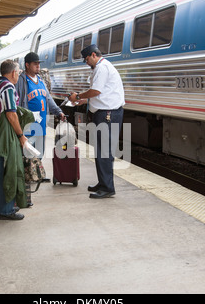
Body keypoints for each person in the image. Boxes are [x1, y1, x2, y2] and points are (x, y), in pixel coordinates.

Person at [69, 44, 125, 199]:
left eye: (87, 59)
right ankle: (103, 182)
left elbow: (96, 91)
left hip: (108, 114)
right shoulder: (101, 67)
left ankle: (107, 188)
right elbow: (102, 95)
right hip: (106, 112)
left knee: (104, 151)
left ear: (94, 55)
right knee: (101, 150)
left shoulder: (102, 68)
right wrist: (85, 102)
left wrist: (78, 96)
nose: (86, 62)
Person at [0, 60, 27, 221]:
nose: (19, 74)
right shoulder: (8, 87)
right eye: (18, 72)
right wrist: (20, 135)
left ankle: (2, 204)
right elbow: (11, 113)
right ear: (13, 73)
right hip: (3, 135)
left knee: (0, 170)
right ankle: (5, 210)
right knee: (7, 172)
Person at [15, 52, 65, 162]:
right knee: (27, 154)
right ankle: (27, 177)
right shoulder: (21, 81)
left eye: (39, 64)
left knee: (39, 153)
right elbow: (16, 103)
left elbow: (48, 99)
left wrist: (58, 112)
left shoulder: (40, 80)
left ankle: (37, 175)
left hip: (41, 125)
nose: (38, 66)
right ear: (27, 65)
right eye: (35, 64)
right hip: (28, 126)